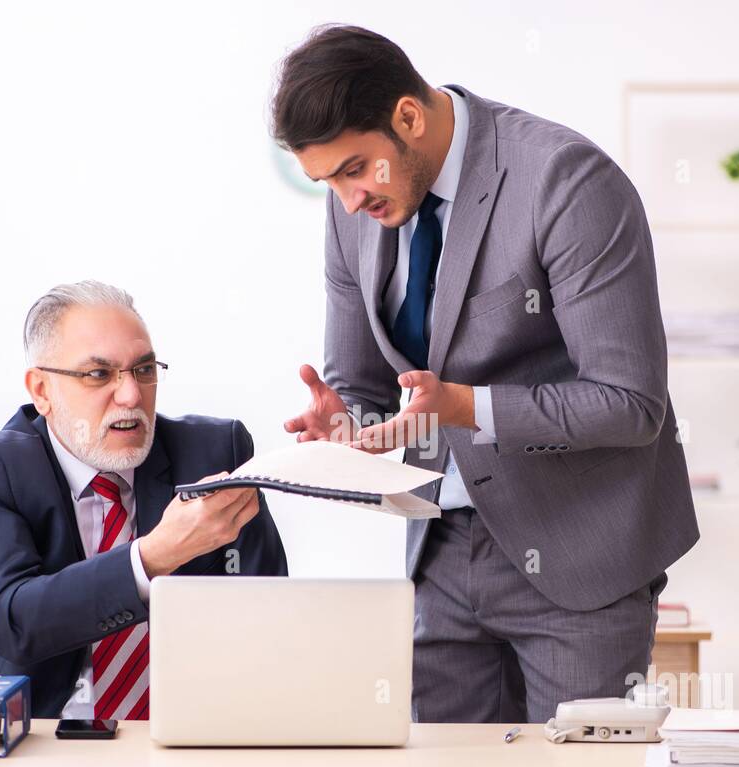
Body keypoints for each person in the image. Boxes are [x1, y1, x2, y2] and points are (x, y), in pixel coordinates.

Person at [274, 26, 699, 724]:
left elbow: (629, 403)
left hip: (579, 557)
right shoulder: (351, 209)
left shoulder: (564, 180)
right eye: (327, 181)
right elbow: (361, 383)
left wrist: (467, 405)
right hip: (438, 553)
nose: (348, 200)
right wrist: (350, 424)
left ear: (408, 116)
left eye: (355, 169)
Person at [0, 280, 287, 719]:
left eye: (143, 370)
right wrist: (152, 557)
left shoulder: (215, 452)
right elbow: (14, 622)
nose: (131, 395)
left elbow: (266, 614)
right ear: (41, 390)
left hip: (187, 740)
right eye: (98, 374)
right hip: (33, 740)